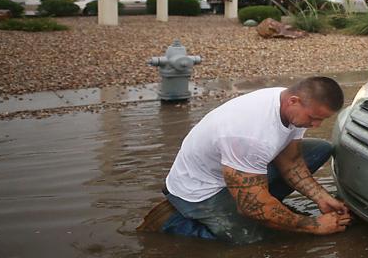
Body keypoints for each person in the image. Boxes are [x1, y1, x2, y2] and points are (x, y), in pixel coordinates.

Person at [145, 77, 353, 244]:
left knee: (321, 149)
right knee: (254, 237)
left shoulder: (290, 103)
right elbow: (251, 208)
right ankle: (175, 221)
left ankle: (266, 201)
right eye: (313, 118)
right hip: (200, 190)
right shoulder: (250, 135)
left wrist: (321, 197)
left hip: (240, 167)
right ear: (293, 101)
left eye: (322, 119)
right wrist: (314, 225)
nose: (316, 125)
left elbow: (291, 161)